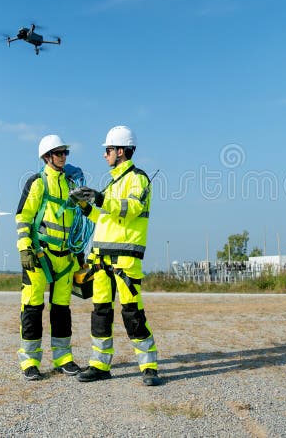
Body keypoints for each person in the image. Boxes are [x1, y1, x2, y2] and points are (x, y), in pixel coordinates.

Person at [69, 125, 161, 386]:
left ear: (121, 151)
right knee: (100, 313)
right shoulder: (113, 183)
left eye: (108, 150)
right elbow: (103, 216)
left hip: (125, 260)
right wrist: (85, 205)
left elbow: (129, 209)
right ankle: (99, 364)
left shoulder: (138, 179)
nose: (104, 154)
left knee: (132, 314)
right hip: (100, 260)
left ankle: (149, 366)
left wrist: (98, 198)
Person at [15, 134, 83, 380]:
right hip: (39, 256)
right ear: (47, 157)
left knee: (62, 310)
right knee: (32, 308)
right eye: (59, 153)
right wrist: (25, 248)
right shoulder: (37, 183)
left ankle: (64, 358)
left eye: (65, 152)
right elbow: (23, 217)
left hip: (66, 258)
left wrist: (80, 254)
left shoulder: (69, 184)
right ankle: (30, 362)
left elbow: (77, 221)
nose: (64, 157)